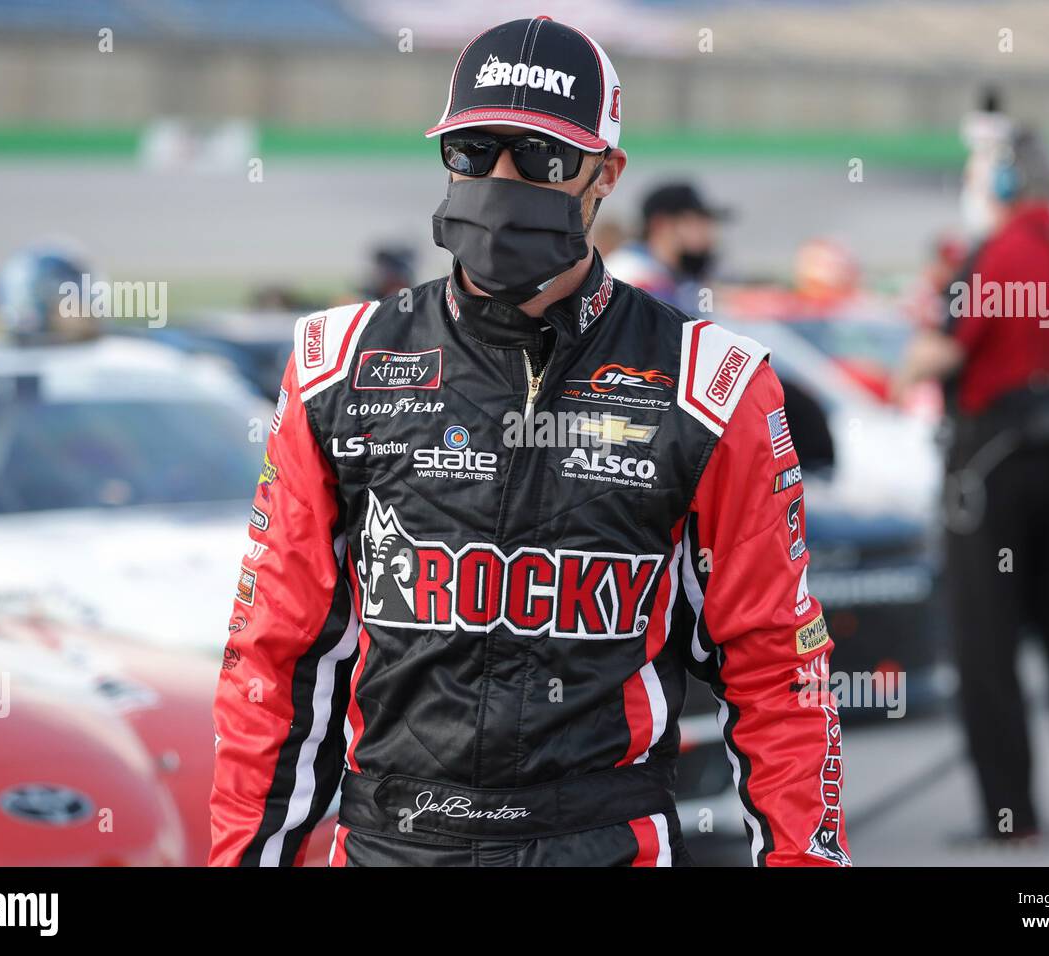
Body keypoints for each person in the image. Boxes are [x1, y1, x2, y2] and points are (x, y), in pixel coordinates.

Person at [209, 15, 849, 868]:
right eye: (474, 151)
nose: (501, 180)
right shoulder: (339, 366)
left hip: (603, 844)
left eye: (541, 157)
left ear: (606, 175)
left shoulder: (710, 383)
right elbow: (276, 661)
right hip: (392, 844)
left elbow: (778, 671)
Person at [891, 124, 1049, 842]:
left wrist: (910, 364)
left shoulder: (998, 253)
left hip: (995, 464)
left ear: (1007, 184)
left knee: (986, 642)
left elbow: (951, 346)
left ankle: (1011, 816)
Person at [604, 181, 727, 312]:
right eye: (695, 223)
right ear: (660, 224)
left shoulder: (674, 274)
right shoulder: (629, 272)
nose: (706, 234)